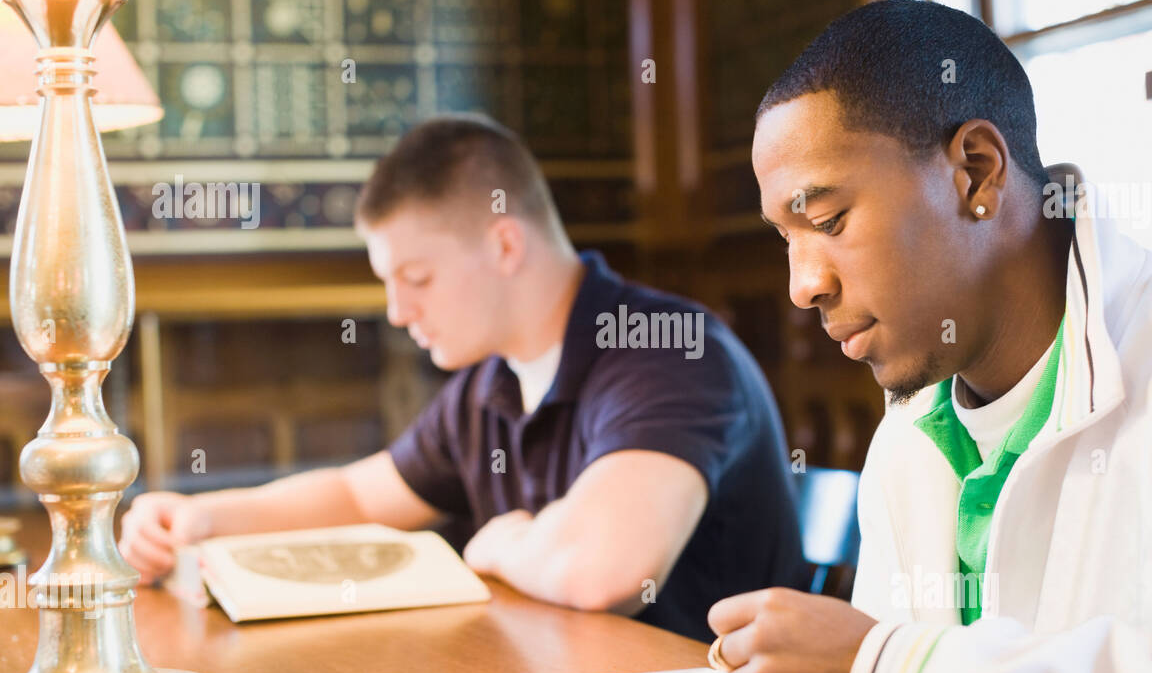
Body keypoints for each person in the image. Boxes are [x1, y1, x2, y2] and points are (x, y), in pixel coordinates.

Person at [706, 0, 1152, 673]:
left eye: (827, 221)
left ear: (974, 172)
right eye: (785, 239)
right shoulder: (906, 440)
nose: (802, 286)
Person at [120, 113, 807, 642]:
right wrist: (201, 517)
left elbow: (605, 572)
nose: (396, 311)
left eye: (416, 279)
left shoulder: (667, 352)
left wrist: (503, 542)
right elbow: (361, 496)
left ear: (504, 243)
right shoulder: (489, 385)